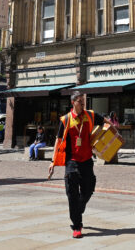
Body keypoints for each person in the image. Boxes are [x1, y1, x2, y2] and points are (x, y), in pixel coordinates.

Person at [48, 91, 111, 238]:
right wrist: (53, 161)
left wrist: (111, 131)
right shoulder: (66, 120)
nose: (82, 104)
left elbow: (105, 122)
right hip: (72, 161)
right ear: (72, 103)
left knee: (89, 189)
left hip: (87, 160)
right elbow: (58, 141)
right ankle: (77, 225)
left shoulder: (90, 115)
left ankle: (80, 207)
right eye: (79, 101)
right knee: (72, 193)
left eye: (83, 101)